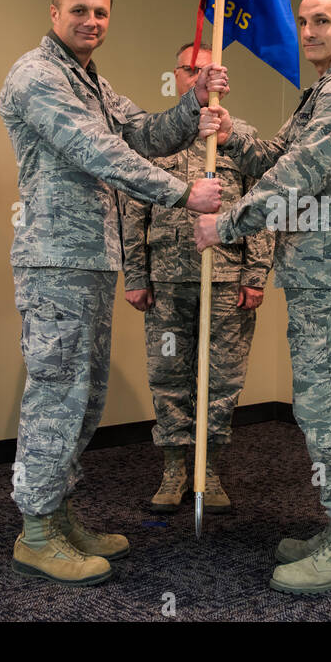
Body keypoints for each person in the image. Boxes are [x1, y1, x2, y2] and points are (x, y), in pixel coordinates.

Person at [0, 0, 227, 586]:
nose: (91, 21)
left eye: (101, 13)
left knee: (85, 396)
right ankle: (36, 531)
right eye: (79, 10)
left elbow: (143, 135)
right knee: (56, 395)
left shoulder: (90, 81)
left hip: (91, 261)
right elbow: (99, 150)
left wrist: (194, 100)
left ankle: (62, 513)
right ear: (53, 12)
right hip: (54, 262)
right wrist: (185, 193)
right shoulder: (37, 76)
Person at [196, 0, 331, 595]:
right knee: (319, 402)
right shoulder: (325, 90)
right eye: (303, 22)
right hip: (318, 271)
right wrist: (231, 134)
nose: (309, 31)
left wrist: (223, 224)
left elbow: (295, 177)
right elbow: (279, 152)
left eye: (323, 21)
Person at [119, 42, 274, 515]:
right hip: (166, 282)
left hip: (226, 282)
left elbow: (263, 208)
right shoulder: (154, 138)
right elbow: (132, 208)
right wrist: (135, 273)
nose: (199, 76)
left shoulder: (242, 138)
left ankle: (208, 467)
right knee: (169, 376)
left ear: (223, 78)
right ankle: (173, 468)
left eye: (208, 70)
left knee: (222, 379)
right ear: (178, 77)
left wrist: (256, 273)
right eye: (190, 69)